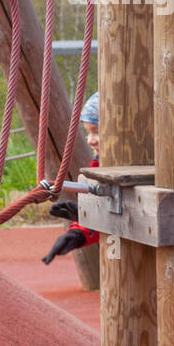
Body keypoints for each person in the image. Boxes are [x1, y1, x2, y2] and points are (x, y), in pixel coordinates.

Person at [41, 92, 100, 264]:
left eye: (96, 132)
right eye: (88, 132)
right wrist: (79, 233)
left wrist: (90, 215)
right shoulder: (98, 166)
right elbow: (108, 212)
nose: (90, 140)